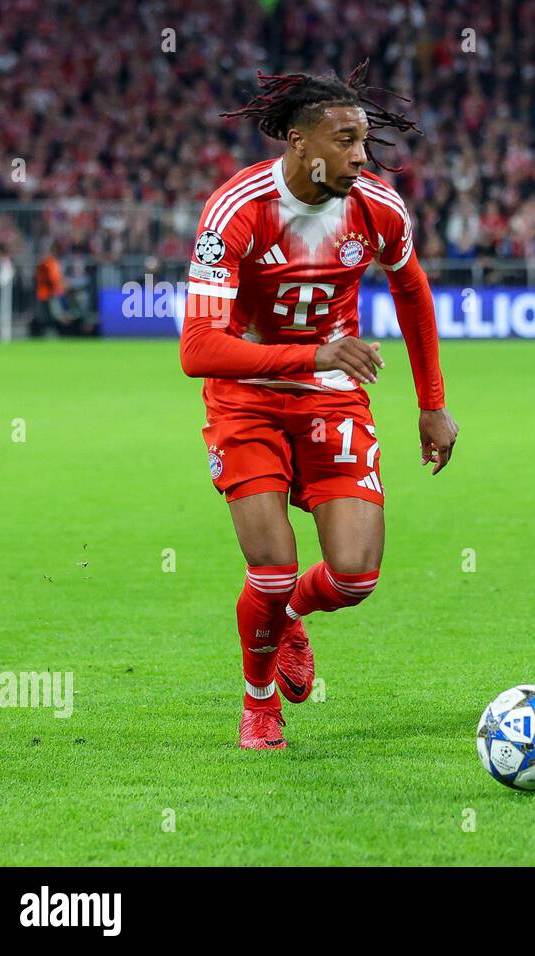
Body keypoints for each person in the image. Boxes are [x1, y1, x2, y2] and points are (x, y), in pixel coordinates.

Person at [179, 62, 458, 749]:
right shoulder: (236, 210)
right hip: (247, 400)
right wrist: (315, 355)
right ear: (300, 144)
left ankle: (291, 615)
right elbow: (198, 350)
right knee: (270, 569)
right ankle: (259, 701)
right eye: (344, 139)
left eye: (363, 139)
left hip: (331, 401)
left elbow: (413, 295)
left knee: (356, 577)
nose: (360, 154)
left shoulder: (378, 207)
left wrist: (432, 404)